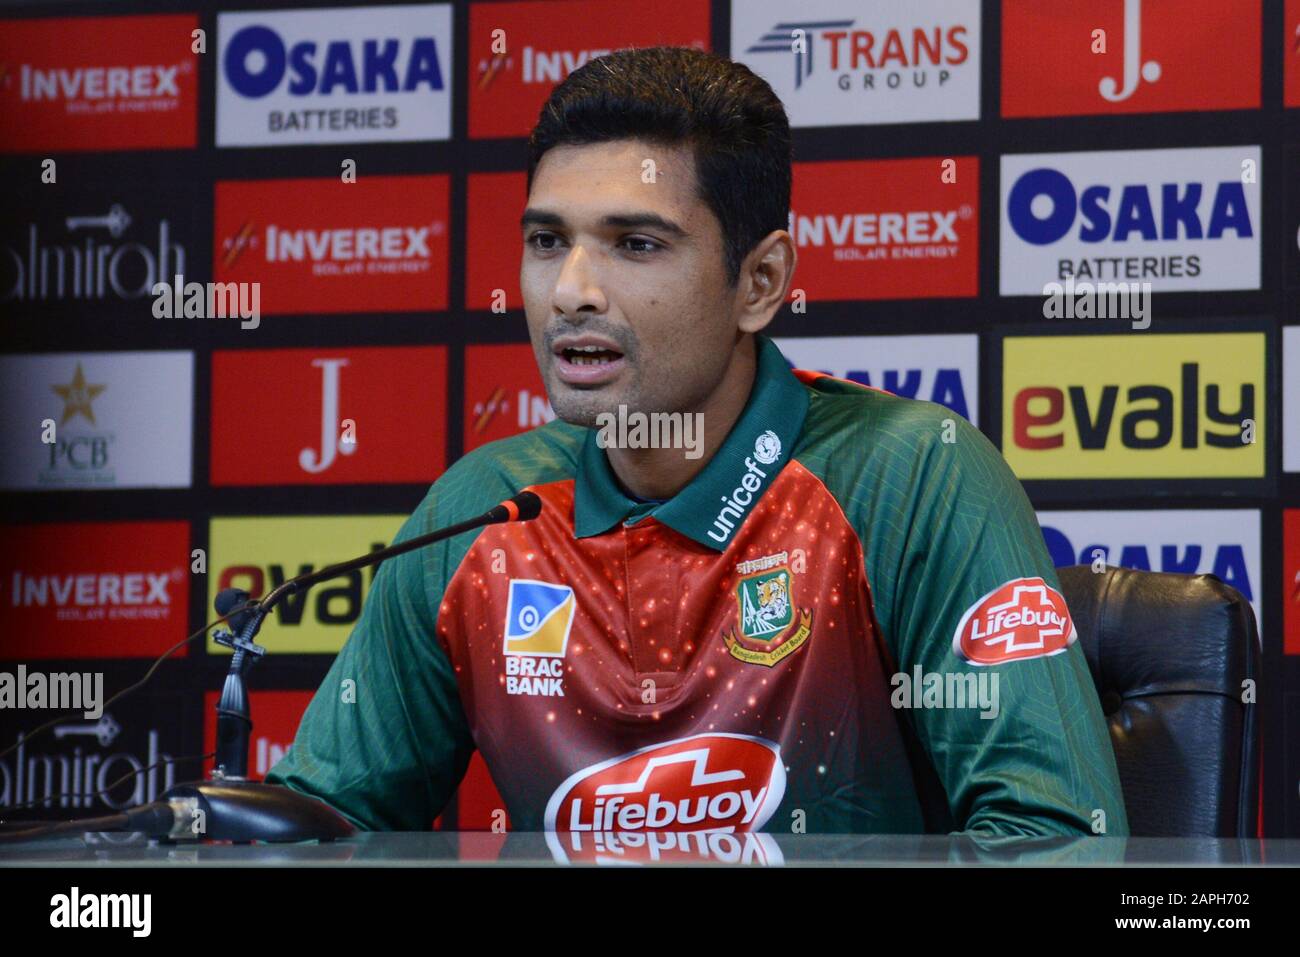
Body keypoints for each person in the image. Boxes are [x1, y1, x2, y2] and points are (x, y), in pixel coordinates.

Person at [267, 46, 1129, 837]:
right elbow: (317, 828)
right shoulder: (480, 512)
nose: (571, 290)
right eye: (546, 241)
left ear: (759, 283)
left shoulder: (914, 476)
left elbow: (1055, 839)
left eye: (635, 244)